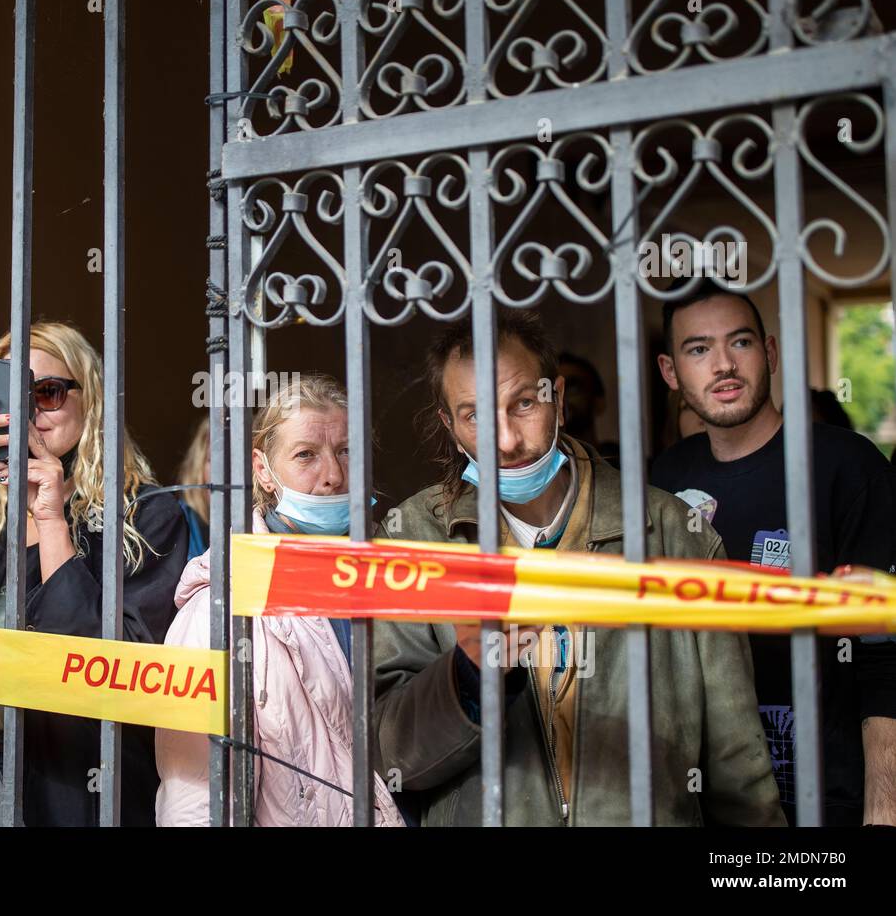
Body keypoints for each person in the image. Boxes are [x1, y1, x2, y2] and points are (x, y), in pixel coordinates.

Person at [373, 306, 783, 826]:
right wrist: (467, 680)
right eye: (475, 415)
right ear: (451, 427)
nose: (505, 441)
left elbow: (737, 765)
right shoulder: (412, 539)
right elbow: (390, 758)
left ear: (558, 400)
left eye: (523, 403)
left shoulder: (673, 532)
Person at [0, 322, 188, 826]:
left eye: (47, 393)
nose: (29, 413)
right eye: (10, 395)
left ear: (91, 402)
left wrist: (50, 521)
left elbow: (109, 667)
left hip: (81, 772)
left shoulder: (144, 514)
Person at [651, 280, 896, 826]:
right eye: (698, 349)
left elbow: (885, 649)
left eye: (739, 343)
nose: (722, 366)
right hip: (712, 800)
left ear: (771, 352)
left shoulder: (845, 465)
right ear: (671, 372)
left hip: (831, 797)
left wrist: (884, 810)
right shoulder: (665, 478)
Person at [156, 374, 402, 826]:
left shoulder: (398, 581)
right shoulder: (219, 605)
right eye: (306, 455)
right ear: (263, 471)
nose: (332, 476)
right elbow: (195, 796)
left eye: (346, 451)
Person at [176, 416, 210, 557]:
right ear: (199, 465)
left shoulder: (262, 521)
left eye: (238, 459)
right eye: (215, 460)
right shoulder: (178, 522)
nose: (227, 470)